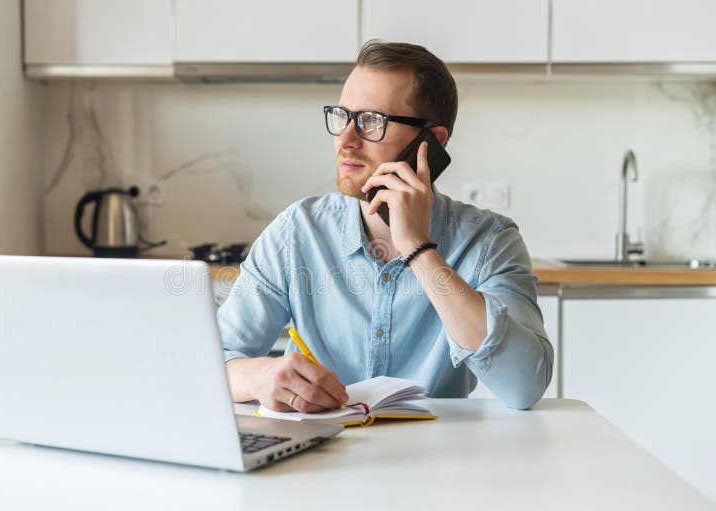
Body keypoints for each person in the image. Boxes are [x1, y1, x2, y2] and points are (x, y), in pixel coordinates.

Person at [218, 40, 553, 412]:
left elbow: (524, 386)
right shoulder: (297, 232)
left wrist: (419, 250)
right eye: (342, 116)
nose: (345, 140)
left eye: (371, 122)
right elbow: (216, 359)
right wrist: (261, 375)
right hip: (317, 457)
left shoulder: (488, 241)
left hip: (437, 459)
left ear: (431, 142)